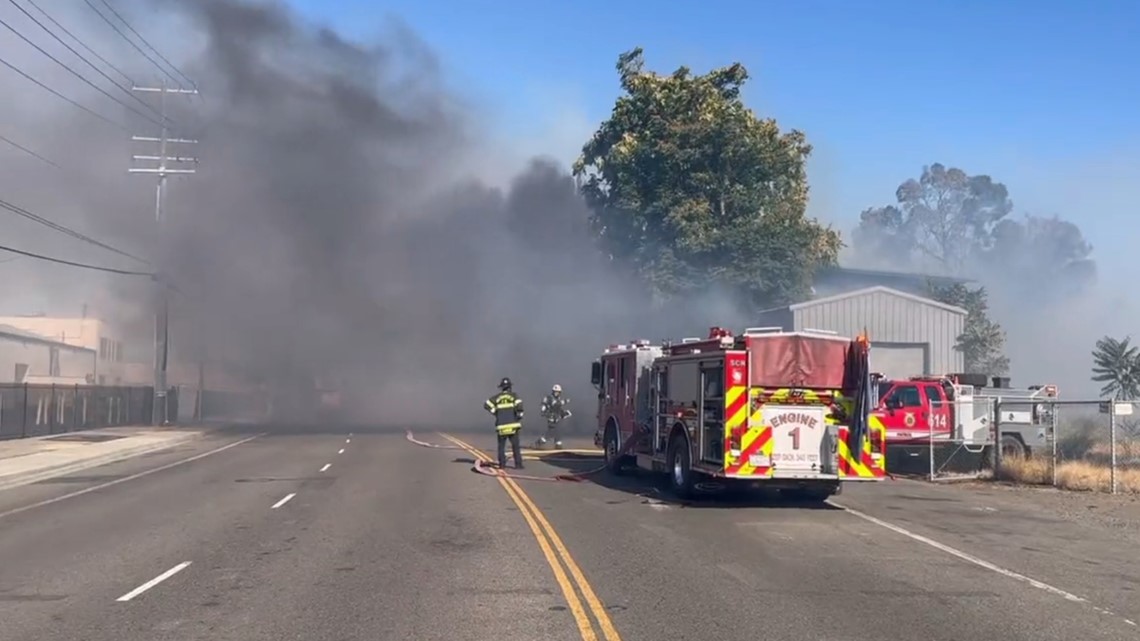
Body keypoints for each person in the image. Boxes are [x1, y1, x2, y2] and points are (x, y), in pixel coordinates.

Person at [484, 377, 524, 469]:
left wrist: (495, 412)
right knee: (515, 446)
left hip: (501, 426)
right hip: (513, 426)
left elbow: (486, 404)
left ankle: (502, 465)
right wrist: (519, 416)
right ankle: (518, 465)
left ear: (501, 388)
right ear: (510, 387)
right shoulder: (514, 396)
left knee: (501, 447)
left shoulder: (496, 397)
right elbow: (520, 407)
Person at [537, 384, 571, 449]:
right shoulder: (549, 398)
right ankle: (540, 442)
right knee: (551, 431)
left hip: (556, 417)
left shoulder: (557, 399)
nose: (556, 393)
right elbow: (554, 405)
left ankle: (558, 443)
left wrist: (564, 413)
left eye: (558, 392)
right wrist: (565, 401)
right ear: (553, 391)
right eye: (555, 392)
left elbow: (558, 409)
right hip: (551, 416)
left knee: (558, 430)